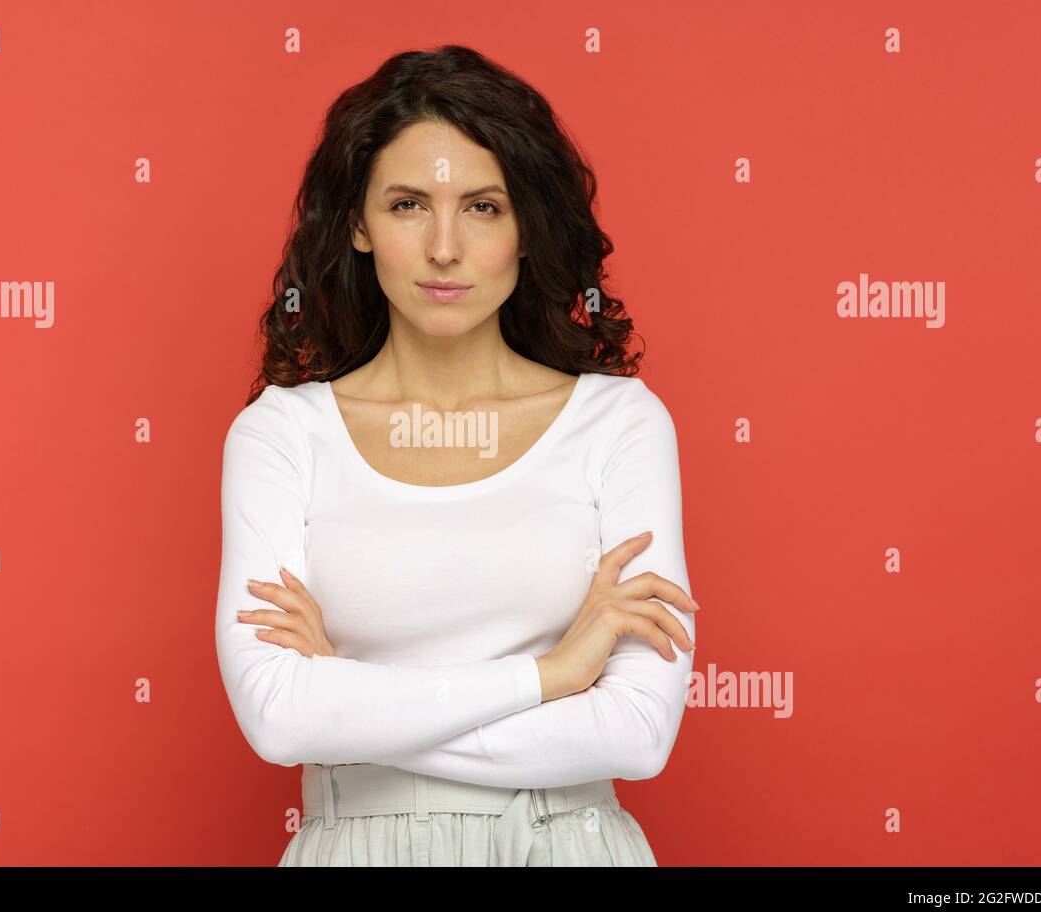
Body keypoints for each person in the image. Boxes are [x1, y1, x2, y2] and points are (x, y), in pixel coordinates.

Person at [215, 44, 697, 866]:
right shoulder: (281, 435)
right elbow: (277, 718)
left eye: (482, 206)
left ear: (525, 228)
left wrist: (353, 708)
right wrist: (548, 676)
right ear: (360, 224)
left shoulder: (619, 424)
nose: (444, 248)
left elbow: (638, 733)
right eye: (408, 204)